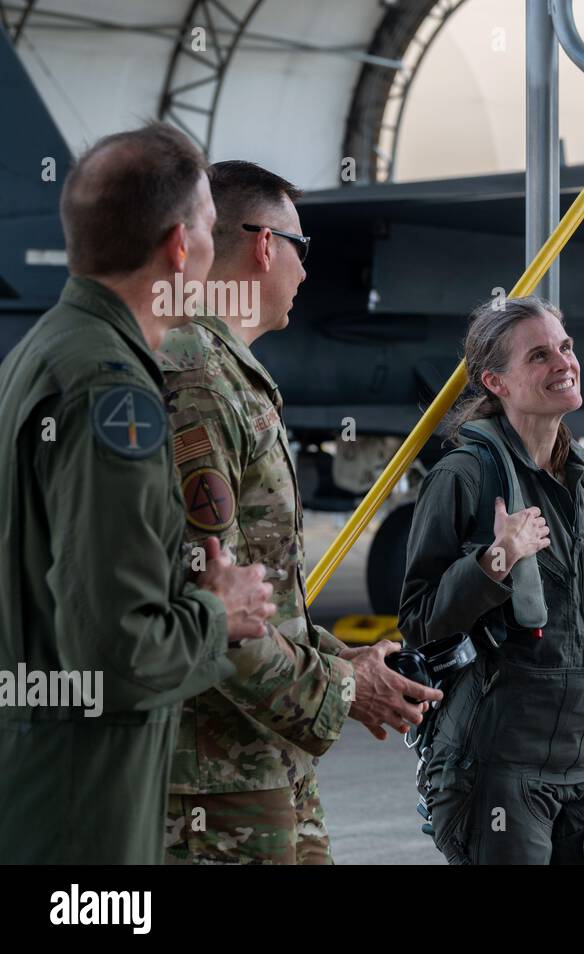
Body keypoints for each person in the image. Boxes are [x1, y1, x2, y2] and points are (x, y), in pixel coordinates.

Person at [0, 123, 274, 864]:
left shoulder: (39, 358)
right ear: (180, 248)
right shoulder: (109, 393)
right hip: (83, 817)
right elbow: (116, 658)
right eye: (212, 230)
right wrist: (223, 613)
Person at [158, 160, 440, 864]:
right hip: (211, 788)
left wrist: (341, 656)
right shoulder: (197, 383)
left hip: (262, 765)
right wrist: (347, 687)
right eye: (300, 250)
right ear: (263, 246)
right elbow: (204, 603)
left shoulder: (231, 378)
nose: (306, 273)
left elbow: (257, 597)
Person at [399, 295, 584, 865]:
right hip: (503, 752)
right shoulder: (464, 478)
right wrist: (494, 564)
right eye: (540, 356)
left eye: (567, 348)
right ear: (495, 381)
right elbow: (419, 626)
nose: (564, 363)